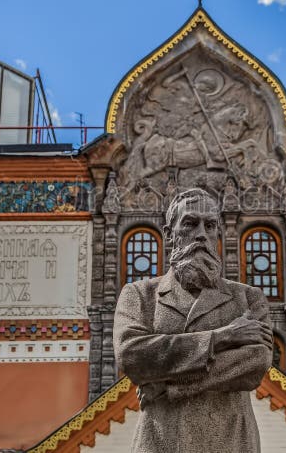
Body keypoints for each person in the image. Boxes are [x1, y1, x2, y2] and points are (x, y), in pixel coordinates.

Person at [114, 188, 273, 453]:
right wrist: (223, 337)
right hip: (162, 440)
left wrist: (169, 386)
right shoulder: (140, 295)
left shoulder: (247, 297)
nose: (201, 234)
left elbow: (255, 362)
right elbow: (132, 355)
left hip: (230, 440)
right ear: (169, 233)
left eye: (210, 225)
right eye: (190, 223)